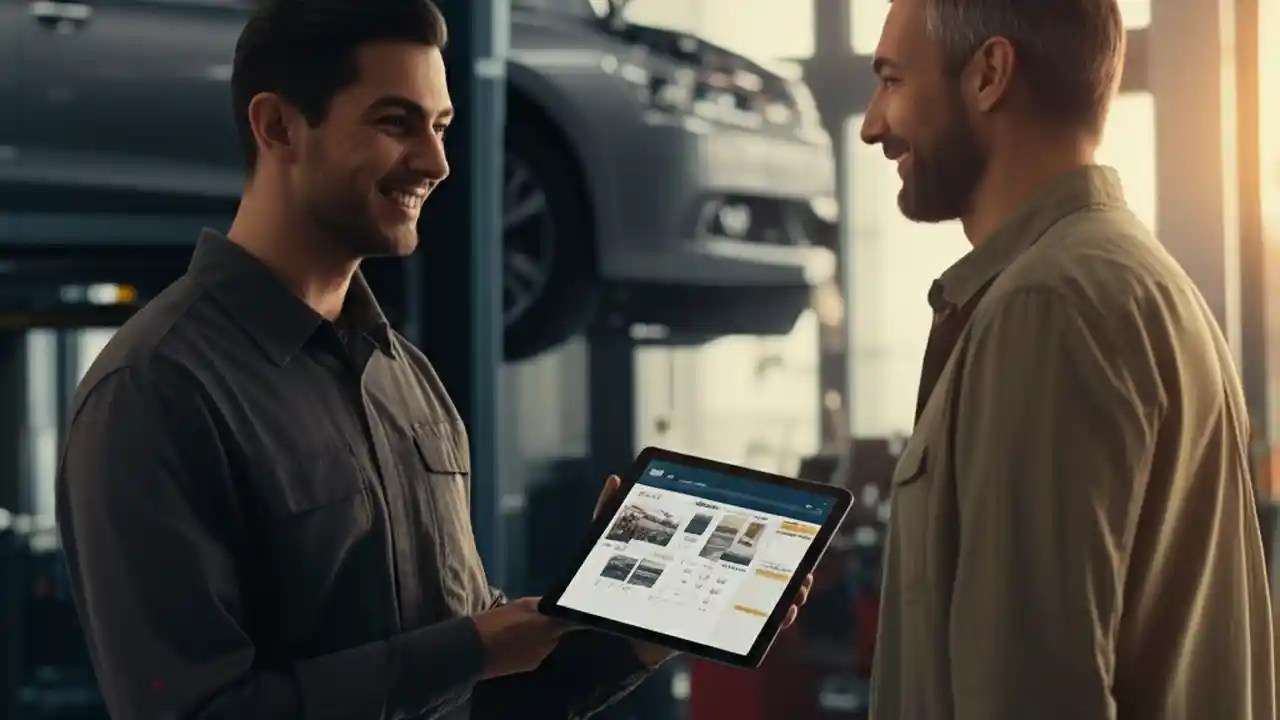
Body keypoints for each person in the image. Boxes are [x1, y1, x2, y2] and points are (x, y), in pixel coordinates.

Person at [53, 1, 813, 718]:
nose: (437, 162)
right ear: (278, 126)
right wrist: (468, 649)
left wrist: (639, 632)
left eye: (442, 126)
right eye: (397, 123)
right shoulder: (154, 391)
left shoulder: (408, 383)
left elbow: (476, 699)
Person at [860, 0, 1275, 718]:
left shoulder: (1047, 308)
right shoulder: (1142, 282)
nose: (872, 124)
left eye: (892, 81)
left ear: (989, 73)